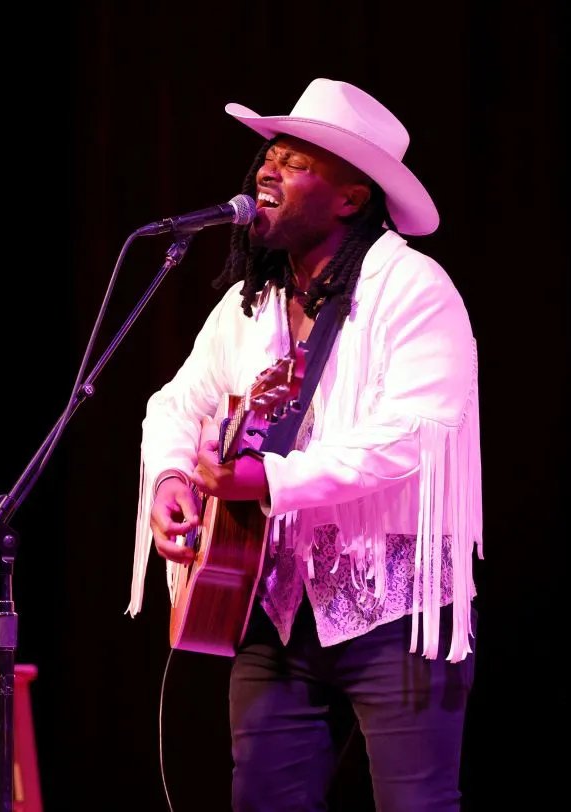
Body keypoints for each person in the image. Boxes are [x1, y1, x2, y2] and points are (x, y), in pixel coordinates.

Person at [127, 78, 483, 810]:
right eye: (269, 154)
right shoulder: (248, 302)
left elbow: (411, 434)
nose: (267, 169)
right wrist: (168, 480)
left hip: (395, 608)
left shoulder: (413, 288)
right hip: (275, 611)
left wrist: (269, 481)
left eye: (295, 160)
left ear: (351, 198)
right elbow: (175, 404)